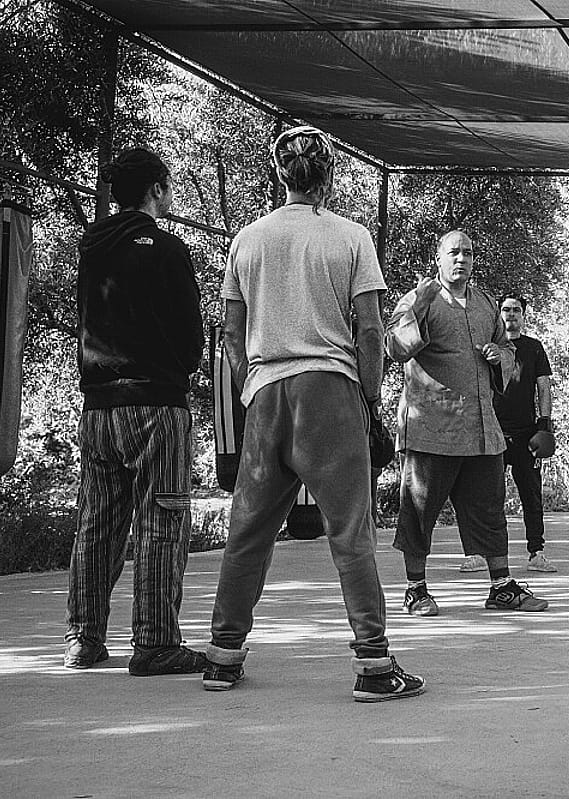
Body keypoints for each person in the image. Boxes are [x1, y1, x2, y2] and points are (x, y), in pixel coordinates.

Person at [202, 125, 424, 702]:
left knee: (248, 529)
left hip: (266, 393)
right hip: (329, 392)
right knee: (350, 531)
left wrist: (251, 385)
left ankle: (222, 657)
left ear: (281, 175)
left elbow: (231, 331)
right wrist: (369, 399)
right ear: (329, 177)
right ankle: (374, 666)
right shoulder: (350, 238)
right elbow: (372, 328)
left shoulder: (247, 240)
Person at [65, 148, 208, 676]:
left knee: (97, 520)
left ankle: (83, 638)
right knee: (161, 519)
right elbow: (190, 339)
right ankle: (153, 642)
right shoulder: (170, 250)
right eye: (169, 186)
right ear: (157, 189)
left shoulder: (91, 246)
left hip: (98, 406)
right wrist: (179, 365)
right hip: (155, 406)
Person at [387, 231, 549, 616]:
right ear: (438, 257)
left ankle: (502, 587)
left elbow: (509, 351)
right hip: (432, 427)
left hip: (481, 428)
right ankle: (415, 589)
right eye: (454, 252)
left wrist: (501, 357)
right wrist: (418, 309)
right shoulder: (419, 299)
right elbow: (394, 348)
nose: (462, 259)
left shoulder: (485, 303)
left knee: (490, 509)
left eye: (469, 252)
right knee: (420, 509)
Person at [459, 294, 558, 574]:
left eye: (516, 310)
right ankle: (476, 553)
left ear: (524, 316)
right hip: (492, 430)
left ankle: (536, 553)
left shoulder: (533, 348)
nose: (511, 314)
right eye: (506, 309)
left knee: (531, 494)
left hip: (526, 434)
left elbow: (544, 387)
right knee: (484, 495)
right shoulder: (489, 349)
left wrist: (545, 424)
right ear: (498, 315)